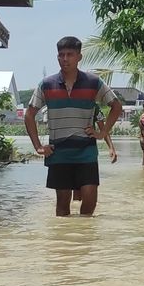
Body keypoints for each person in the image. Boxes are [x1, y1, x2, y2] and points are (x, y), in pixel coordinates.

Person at [25, 36, 123, 216]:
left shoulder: (94, 82)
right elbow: (29, 115)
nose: (65, 59)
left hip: (86, 151)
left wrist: (102, 133)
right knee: (62, 203)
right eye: (61, 55)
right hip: (58, 152)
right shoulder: (46, 84)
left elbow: (116, 106)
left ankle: (84, 232)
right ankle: (65, 234)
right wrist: (38, 146)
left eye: (70, 54)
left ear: (79, 57)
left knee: (90, 199)